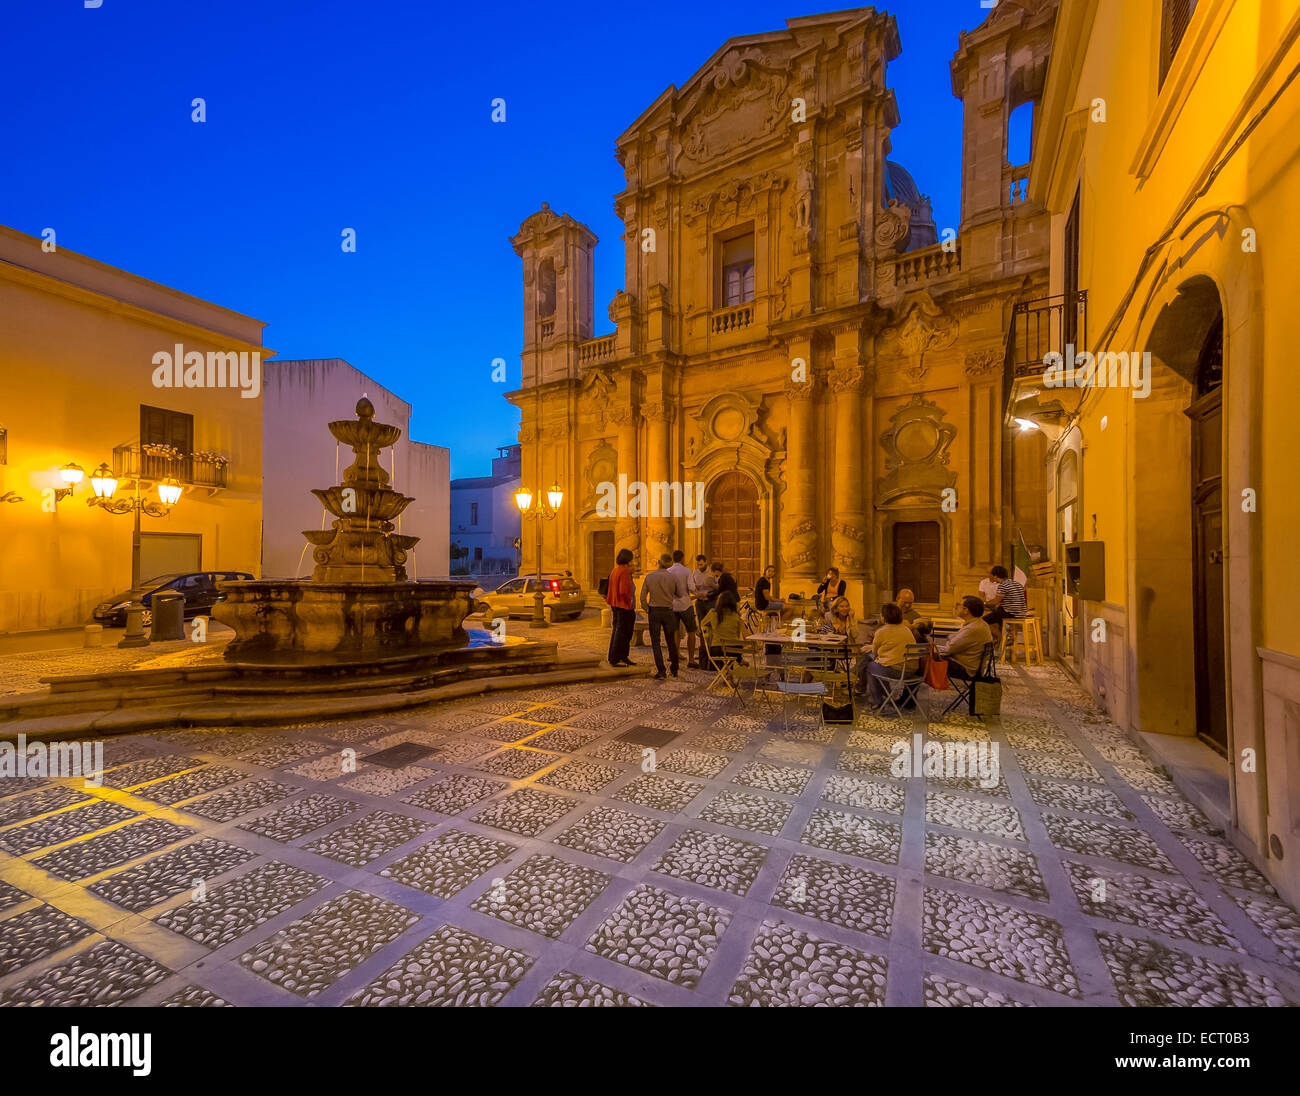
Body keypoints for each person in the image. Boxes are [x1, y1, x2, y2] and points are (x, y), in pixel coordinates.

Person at [856, 602, 916, 705]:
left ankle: (876, 699)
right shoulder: (906, 629)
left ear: (884, 617)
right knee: (873, 662)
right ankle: (884, 694)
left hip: (897, 670)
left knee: (870, 665)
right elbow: (892, 646)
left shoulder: (881, 631)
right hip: (912, 670)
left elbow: (875, 653)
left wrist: (870, 648)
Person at [641, 553, 686, 679]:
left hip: (654, 610)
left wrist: (647, 609)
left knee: (655, 642)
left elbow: (642, 597)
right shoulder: (673, 578)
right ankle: (674, 668)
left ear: (658, 562)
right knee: (671, 640)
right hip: (668, 611)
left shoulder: (649, 577)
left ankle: (661, 670)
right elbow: (680, 594)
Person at [937, 595, 995, 681]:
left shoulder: (973, 628)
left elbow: (950, 648)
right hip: (970, 665)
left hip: (966, 669)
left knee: (925, 658)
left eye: (958, 605)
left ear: (966, 610)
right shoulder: (980, 624)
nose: (956, 607)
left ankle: (912, 689)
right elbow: (953, 640)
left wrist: (950, 640)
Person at [667, 550, 699, 668]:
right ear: (682, 558)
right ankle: (691, 660)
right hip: (685, 605)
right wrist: (697, 590)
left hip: (672, 605)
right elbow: (691, 587)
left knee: (675, 631)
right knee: (691, 631)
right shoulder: (686, 570)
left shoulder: (668, 571)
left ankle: (675, 656)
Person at [605, 548, 636, 667]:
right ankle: (616, 658)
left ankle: (619, 656)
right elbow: (624, 591)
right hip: (623, 606)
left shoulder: (615, 570)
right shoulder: (624, 571)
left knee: (617, 631)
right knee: (623, 632)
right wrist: (629, 601)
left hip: (615, 605)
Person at [699, 590, 744, 670]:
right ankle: (731, 670)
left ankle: (726, 673)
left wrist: (709, 630)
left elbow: (702, 624)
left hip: (717, 649)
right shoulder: (736, 616)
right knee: (732, 651)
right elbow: (737, 634)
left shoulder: (713, 613)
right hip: (735, 650)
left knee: (722, 652)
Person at [983, 565, 1027, 635]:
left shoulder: (1003, 585)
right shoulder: (1017, 584)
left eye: (991, 575)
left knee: (983, 621)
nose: (989, 577)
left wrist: (984, 603)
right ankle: (1007, 636)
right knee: (999, 618)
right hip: (1021, 613)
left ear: (995, 576)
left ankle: (1001, 638)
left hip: (1010, 614)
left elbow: (995, 601)